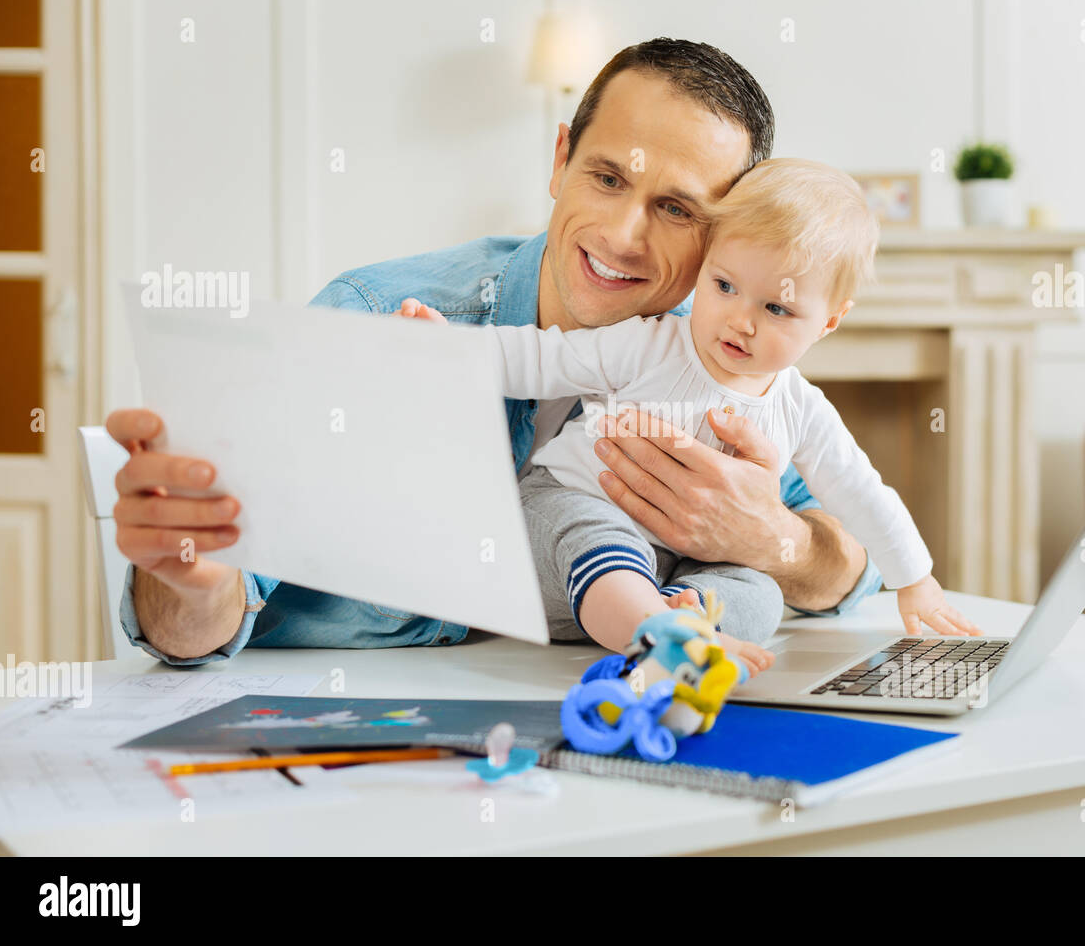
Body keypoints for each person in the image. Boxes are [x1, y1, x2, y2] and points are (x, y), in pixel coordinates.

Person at [105, 38, 931, 666]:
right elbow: (194, 629)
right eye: (607, 178)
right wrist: (192, 577)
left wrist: (772, 541)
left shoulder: (718, 354)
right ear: (560, 158)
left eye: (677, 209)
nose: (621, 235)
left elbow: (840, 564)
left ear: (723, 242)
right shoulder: (377, 318)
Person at [398, 158, 981, 674]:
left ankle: (692, 620)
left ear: (829, 320)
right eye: (724, 285)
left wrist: (916, 579)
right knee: (592, 530)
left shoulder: (801, 407)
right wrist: (452, 352)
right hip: (566, 517)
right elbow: (543, 357)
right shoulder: (652, 343)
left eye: (777, 307)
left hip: (679, 566)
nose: (740, 321)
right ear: (704, 268)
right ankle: (656, 628)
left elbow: (860, 490)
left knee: (759, 594)